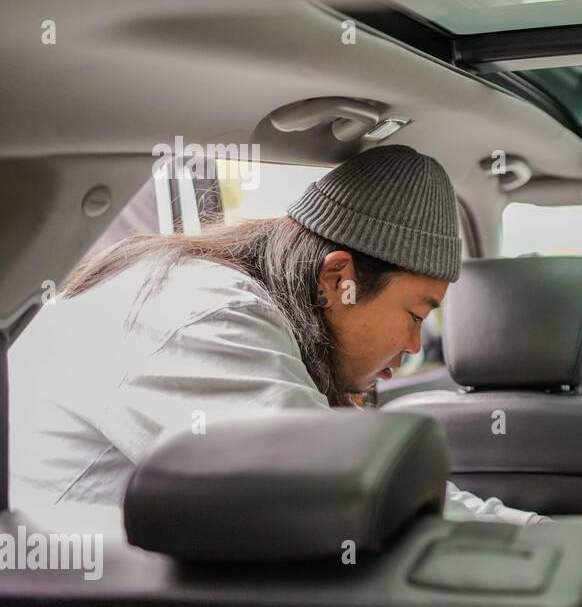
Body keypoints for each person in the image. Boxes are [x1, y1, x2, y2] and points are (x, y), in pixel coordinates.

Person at [9, 145, 545, 526]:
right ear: (341, 280)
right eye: (415, 314)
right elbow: (336, 487)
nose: (412, 346)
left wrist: (534, 534)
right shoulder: (205, 315)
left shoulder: (256, 316)